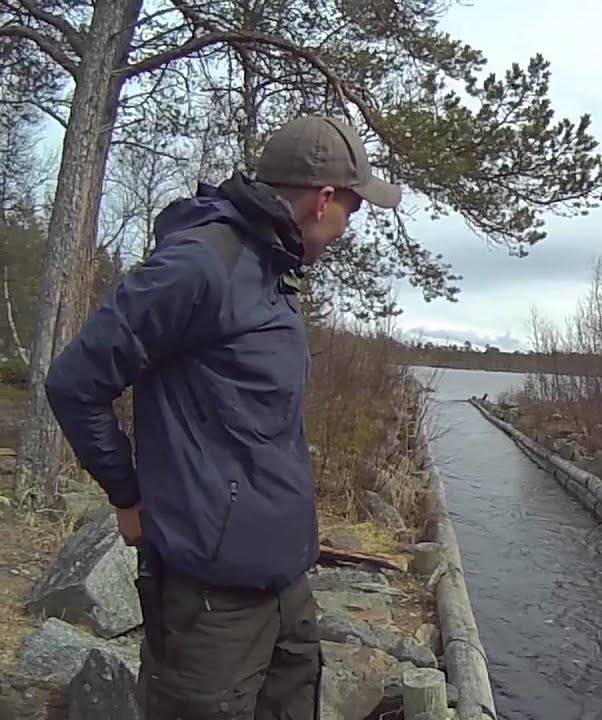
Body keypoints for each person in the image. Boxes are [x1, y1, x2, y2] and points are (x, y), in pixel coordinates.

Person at [43, 115, 402, 718]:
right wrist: (127, 494)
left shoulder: (271, 268)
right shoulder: (200, 265)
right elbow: (75, 383)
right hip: (210, 603)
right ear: (322, 200)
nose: (348, 225)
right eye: (353, 207)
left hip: (284, 585)